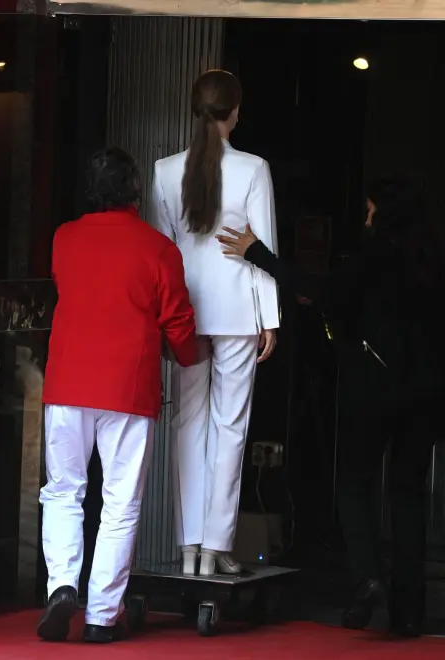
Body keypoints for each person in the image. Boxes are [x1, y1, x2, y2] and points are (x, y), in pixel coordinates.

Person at [217, 174, 445, 637]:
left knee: (353, 483)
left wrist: (257, 253)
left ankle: (368, 576)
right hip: (426, 394)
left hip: (377, 389)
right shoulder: (431, 260)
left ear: (384, 214)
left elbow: (324, 291)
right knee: (409, 498)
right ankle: (410, 612)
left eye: (370, 211)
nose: (365, 219)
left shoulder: (375, 257)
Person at [37, 147, 205, 644]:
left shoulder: (64, 238)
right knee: (119, 502)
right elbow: (177, 320)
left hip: (67, 382)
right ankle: (101, 615)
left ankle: (62, 586)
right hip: (127, 386)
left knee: (63, 490)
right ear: (134, 190)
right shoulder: (157, 249)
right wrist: (191, 357)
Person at [148, 69, 280, 577]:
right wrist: (270, 316)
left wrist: (164, 316)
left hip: (185, 311)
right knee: (230, 427)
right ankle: (215, 547)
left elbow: (164, 254)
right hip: (237, 311)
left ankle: (187, 547)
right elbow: (263, 250)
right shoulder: (253, 168)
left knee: (186, 424)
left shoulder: (164, 171)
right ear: (235, 112)